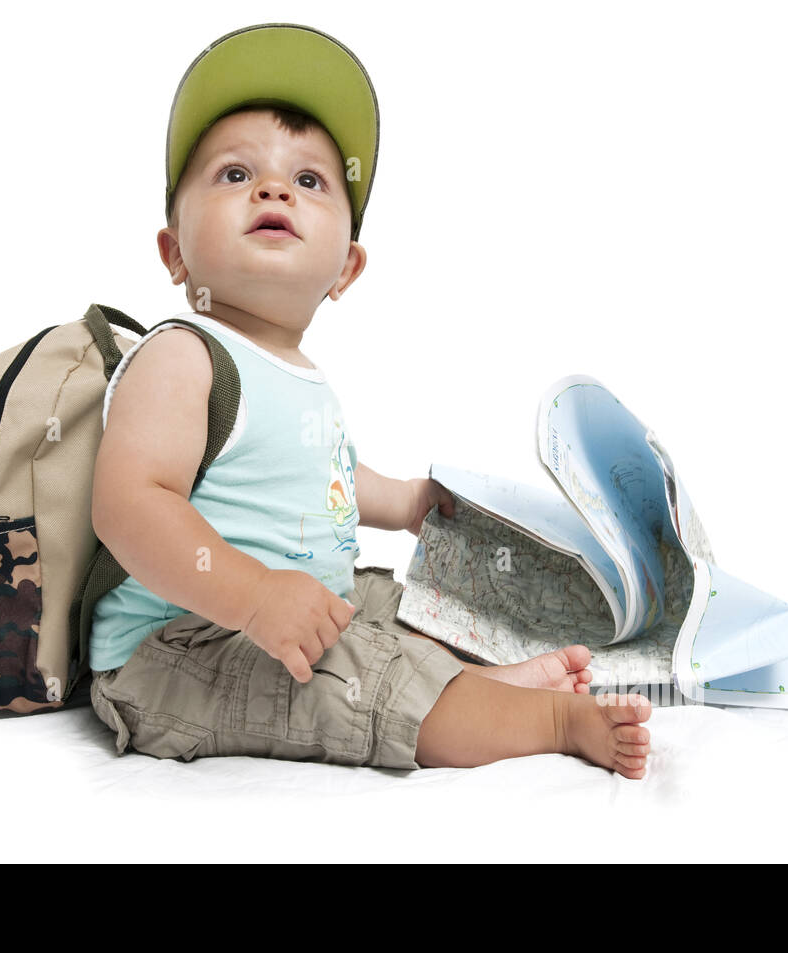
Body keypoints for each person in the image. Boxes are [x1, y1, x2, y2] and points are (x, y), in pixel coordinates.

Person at [89, 23, 652, 776]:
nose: (273, 188)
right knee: (362, 679)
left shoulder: (299, 373)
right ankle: (548, 718)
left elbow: (337, 483)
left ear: (345, 267)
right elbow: (129, 506)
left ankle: (475, 682)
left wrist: (414, 501)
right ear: (175, 252)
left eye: (311, 181)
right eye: (233, 174)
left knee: (396, 601)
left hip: (285, 609)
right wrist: (253, 595)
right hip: (178, 647)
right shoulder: (183, 356)